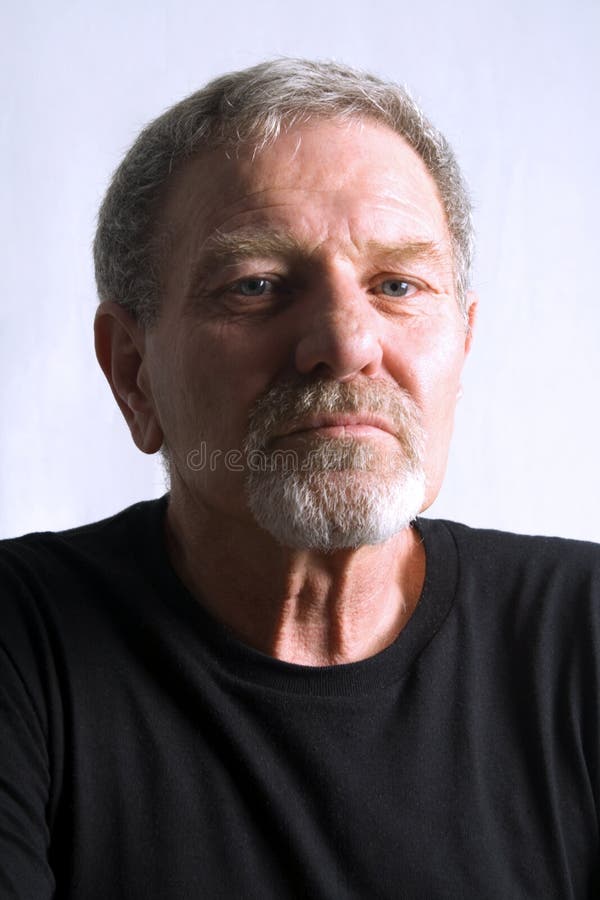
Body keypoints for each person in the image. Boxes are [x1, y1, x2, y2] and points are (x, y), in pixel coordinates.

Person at [1, 58, 598, 900]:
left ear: (461, 346)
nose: (348, 343)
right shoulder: (21, 648)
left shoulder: (585, 631)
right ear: (133, 372)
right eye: (257, 285)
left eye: (397, 284)